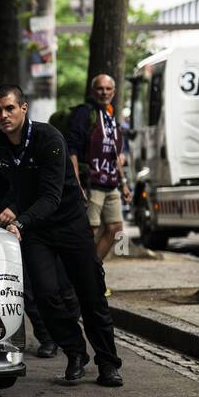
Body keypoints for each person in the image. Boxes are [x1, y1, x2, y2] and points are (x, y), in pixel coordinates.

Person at [0, 84, 123, 387]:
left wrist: (20, 220)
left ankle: (108, 363)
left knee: (90, 293)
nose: (3, 115)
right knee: (45, 295)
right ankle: (75, 353)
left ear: (23, 108)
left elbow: (50, 196)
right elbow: (0, 186)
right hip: (35, 231)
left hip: (68, 223)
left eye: (9, 108)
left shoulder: (49, 139)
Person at [66, 74, 131, 263]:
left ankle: (93, 272)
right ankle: (78, 278)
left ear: (114, 92)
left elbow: (115, 153)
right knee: (89, 231)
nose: (104, 92)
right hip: (91, 183)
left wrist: (124, 183)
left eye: (108, 89)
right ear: (93, 91)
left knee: (115, 229)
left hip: (111, 184)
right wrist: (77, 184)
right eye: (100, 89)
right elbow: (72, 149)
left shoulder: (110, 115)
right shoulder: (85, 113)